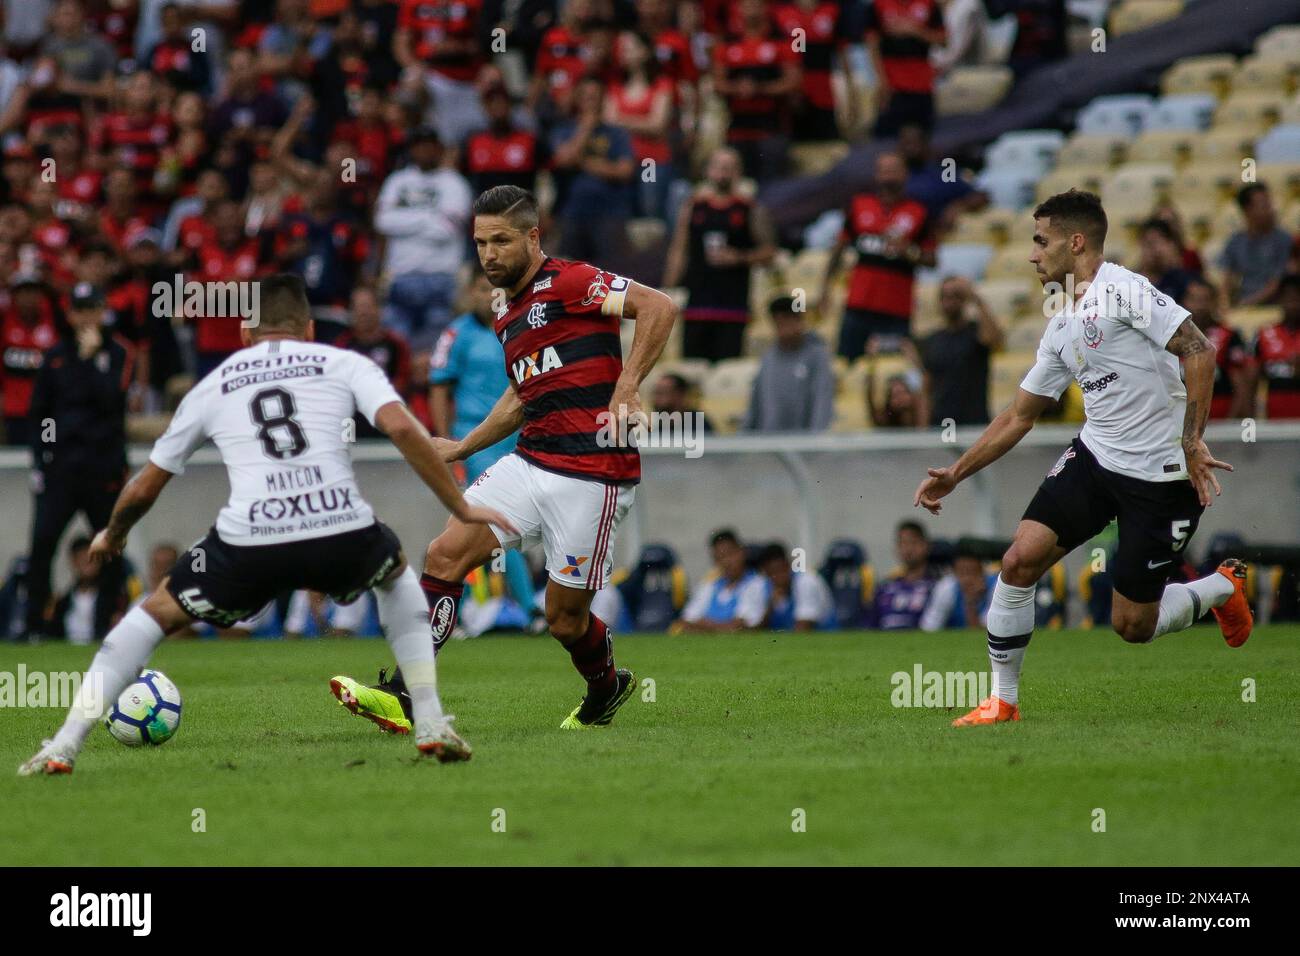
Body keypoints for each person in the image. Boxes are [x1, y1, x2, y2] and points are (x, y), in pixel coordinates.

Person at [18, 274, 513, 775]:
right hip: (339, 527)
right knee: (397, 575)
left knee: (153, 614)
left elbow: (146, 485)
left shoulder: (213, 384)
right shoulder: (344, 362)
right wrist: (462, 504)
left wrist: (114, 533)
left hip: (249, 538)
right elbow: (405, 428)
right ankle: (428, 720)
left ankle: (62, 745)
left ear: (244, 333)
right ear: (310, 328)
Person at [331, 185, 678, 732]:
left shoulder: (572, 282)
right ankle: (403, 694)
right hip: (530, 459)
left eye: (501, 241)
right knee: (444, 555)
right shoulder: (507, 312)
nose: (489, 254)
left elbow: (658, 305)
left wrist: (627, 384)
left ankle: (605, 686)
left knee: (564, 621)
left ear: (533, 236)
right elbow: (522, 395)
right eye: (480, 243)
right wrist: (462, 447)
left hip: (592, 472)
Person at [913, 189, 1253, 727]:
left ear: (1075, 242)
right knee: (1018, 561)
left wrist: (1192, 440)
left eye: (1040, 241)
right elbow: (1019, 415)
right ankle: (1002, 701)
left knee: (1132, 626)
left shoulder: (1125, 290)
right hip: (1096, 458)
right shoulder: (1062, 323)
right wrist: (956, 472)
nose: (1031, 254)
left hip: (1160, 476)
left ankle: (1219, 588)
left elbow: (1199, 350)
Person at [427, 270, 538, 627]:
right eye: (480, 288)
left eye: (493, 288)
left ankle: (458, 613)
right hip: (474, 439)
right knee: (498, 518)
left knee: (501, 524)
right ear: (470, 292)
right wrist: (449, 445)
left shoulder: (518, 326)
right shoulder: (456, 333)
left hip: (518, 434)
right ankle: (531, 607)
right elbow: (439, 386)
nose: (487, 294)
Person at [23, 283, 132, 641]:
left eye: (93, 309)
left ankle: (104, 626)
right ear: (70, 314)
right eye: (80, 309)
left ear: (103, 312)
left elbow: (111, 404)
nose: (86, 317)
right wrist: (45, 457)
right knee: (42, 547)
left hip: (103, 470)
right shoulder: (54, 356)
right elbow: (43, 414)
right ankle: (34, 625)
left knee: (110, 549)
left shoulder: (116, 354)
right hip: (63, 471)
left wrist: (91, 360)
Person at [663, 146, 777, 362]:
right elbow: (679, 250)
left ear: (738, 172)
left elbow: (769, 252)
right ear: (708, 170)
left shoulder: (749, 209)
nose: (723, 172)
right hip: (697, 304)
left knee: (727, 368)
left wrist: (739, 257)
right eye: (718, 166)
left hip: (732, 307)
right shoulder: (693, 207)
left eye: (729, 167)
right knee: (691, 368)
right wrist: (668, 290)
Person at [821, 151, 936, 359]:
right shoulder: (858, 206)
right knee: (848, 365)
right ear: (876, 174)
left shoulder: (918, 212)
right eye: (884, 170)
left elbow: (932, 260)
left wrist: (908, 251)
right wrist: (825, 289)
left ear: (905, 174)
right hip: (857, 308)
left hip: (895, 312)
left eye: (894, 170)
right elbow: (839, 249)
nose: (889, 176)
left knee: (893, 371)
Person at [374, 127, 473, 351]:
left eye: (430, 144)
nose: (424, 150)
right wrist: (429, 216)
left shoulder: (454, 182)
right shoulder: (397, 181)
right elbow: (382, 221)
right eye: (419, 145)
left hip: (441, 279)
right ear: (412, 149)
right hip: (400, 278)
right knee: (396, 352)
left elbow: (447, 229)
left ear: (439, 148)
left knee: (434, 353)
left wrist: (404, 217)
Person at [548, 76, 636, 264]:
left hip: (610, 214)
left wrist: (582, 163)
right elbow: (563, 160)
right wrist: (586, 128)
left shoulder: (617, 133)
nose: (592, 102)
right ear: (578, 100)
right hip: (572, 213)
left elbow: (625, 171)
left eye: (596, 97)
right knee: (570, 275)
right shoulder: (562, 130)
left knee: (612, 276)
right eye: (587, 97)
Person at [711, 0, 801, 182]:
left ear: (766, 8)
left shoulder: (781, 41)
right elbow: (717, 84)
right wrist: (738, 88)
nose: (752, 10)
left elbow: (793, 82)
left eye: (756, 5)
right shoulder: (727, 43)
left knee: (772, 186)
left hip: (771, 129)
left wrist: (759, 89)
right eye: (747, 5)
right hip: (737, 128)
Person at [920, 276, 1004, 427]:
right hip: (941, 424)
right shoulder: (933, 340)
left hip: (974, 422)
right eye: (944, 297)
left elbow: (995, 340)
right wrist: (924, 429)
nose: (949, 302)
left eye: (955, 296)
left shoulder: (975, 332)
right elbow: (927, 389)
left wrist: (976, 298)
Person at [744, 296, 834, 432]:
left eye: (789, 319)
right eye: (779, 322)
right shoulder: (768, 358)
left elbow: (821, 405)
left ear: (800, 321)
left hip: (803, 447)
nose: (784, 327)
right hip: (768, 444)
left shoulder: (817, 356)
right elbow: (755, 406)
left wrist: (815, 445)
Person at [866, 0, 946, 136]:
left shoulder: (929, 4)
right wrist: (882, 82)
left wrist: (915, 30)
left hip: (922, 85)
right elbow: (872, 45)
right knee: (886, 140)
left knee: (922, 139)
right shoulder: (879, 5)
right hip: (893, 86)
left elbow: (943, 40)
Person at [1183, 276, 1253, 421]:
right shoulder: (1170, 338)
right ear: (1184, 302)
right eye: (1195, 300)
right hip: (1179, 418)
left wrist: (1229, 425)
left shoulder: (1229, 336)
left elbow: (1240, 387)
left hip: (1219, 415)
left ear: (1214, 303)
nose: (1200, 306)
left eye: (1205, 300)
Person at [673, 528, 766, 632]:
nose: (726, 562)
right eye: (720, 557)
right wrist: (720, 626)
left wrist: (703, 625)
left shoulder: (757, 584)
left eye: (730, 554)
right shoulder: (709, 585)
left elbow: (740, 626)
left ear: (742, 552)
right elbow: (685, 622)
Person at [1220, 183, 1293, 307]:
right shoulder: (1235, 242)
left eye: (1269, 204)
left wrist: (1246, 304)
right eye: (1264, 205)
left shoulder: (1283, 240)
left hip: (1275, 306)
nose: (1271, 209)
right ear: (1247, 210)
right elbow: (1227, 280)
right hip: (1243, 305)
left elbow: (1276, 284)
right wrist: (1225, 303)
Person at [49, 535, 128, 645]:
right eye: (82, 558)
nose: (88, 563)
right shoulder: (63, 603)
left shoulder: (112, 600)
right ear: (73, 562)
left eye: (92, 558)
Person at [739, 541, 835, 631]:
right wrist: (769, 609)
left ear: (788, 565)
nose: (779, 576)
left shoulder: (806, 582)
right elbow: (751, 630)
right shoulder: (759, 586)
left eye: (781, 570)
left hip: (826, 639)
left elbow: (804, 627)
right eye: (772, 573)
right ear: (765, 572)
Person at [871, 520, 937, 630]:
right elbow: (870, 625)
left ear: (926, 546)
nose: (908, 549)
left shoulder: (936, 587)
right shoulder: (885, 587)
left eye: (913, 543)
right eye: (903, 543)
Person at [1253, 273, 1300, 419]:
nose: (1292, 304)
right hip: (1275, 407)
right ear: (1280, 301)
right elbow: (1252, 378)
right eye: (1288, 298)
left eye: (1297, 299)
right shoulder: (1263, 334)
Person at [919, 546, 997, 630]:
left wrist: (971, 605)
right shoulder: (946, 587)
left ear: (982, 571)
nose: (968, 578)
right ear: (955, 573)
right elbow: (930, 628)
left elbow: (985, 632)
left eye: (973, 572)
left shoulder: (995, 588)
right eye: (962, 573)